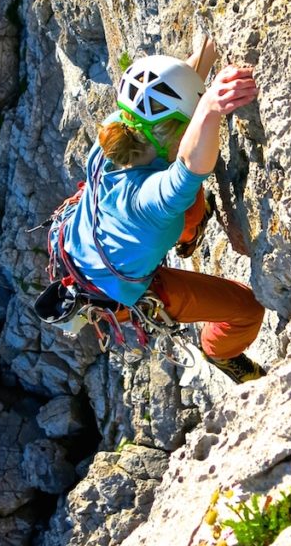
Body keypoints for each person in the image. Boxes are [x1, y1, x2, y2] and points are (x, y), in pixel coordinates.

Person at [61, 39, 265, 384]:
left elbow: (168, 95)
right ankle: (221, 352)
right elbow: (189, 166)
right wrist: (210, 107)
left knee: (188, 202)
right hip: (113, 287)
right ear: (175, 133)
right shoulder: (148, 202)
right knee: (247, 309)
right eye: (190, 122)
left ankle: (187, 235)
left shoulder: (121, 126)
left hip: (87, 242)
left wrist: (210, 49)